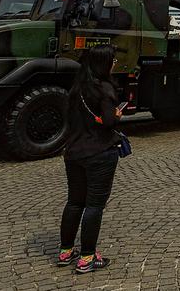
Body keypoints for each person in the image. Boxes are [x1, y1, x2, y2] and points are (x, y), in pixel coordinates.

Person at [58, 46, 123, 274]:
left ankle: (65, 251)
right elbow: (107, 122)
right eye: (112, 60)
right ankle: (87, 256)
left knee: (75, 202)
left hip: (74, 151)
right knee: (94, 205)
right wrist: (116, 115)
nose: (114, 63)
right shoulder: (104, 89)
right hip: (99, 152)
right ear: (103, 63)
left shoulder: (76, 89)